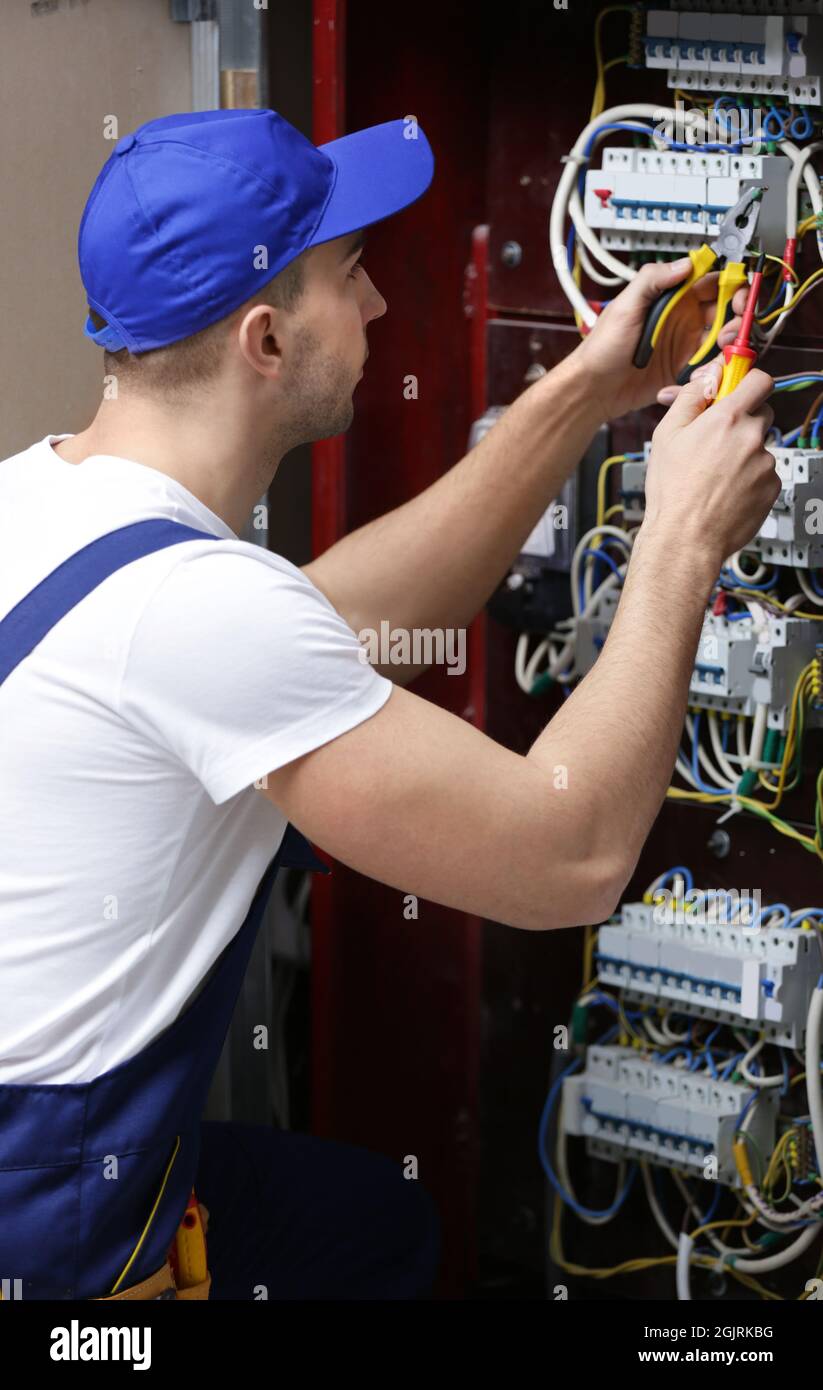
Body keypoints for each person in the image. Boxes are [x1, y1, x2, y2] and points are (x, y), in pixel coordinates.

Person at [0, 108, 778, 1301]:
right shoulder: (199, 616)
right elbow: (568, 856)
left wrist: (581, 394)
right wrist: (681, 536)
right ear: (265, 339)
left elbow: (330, 626)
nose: (376, 310)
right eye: (350, 278)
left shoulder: (50, 505)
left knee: (366, 1226)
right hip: (46, 1229)